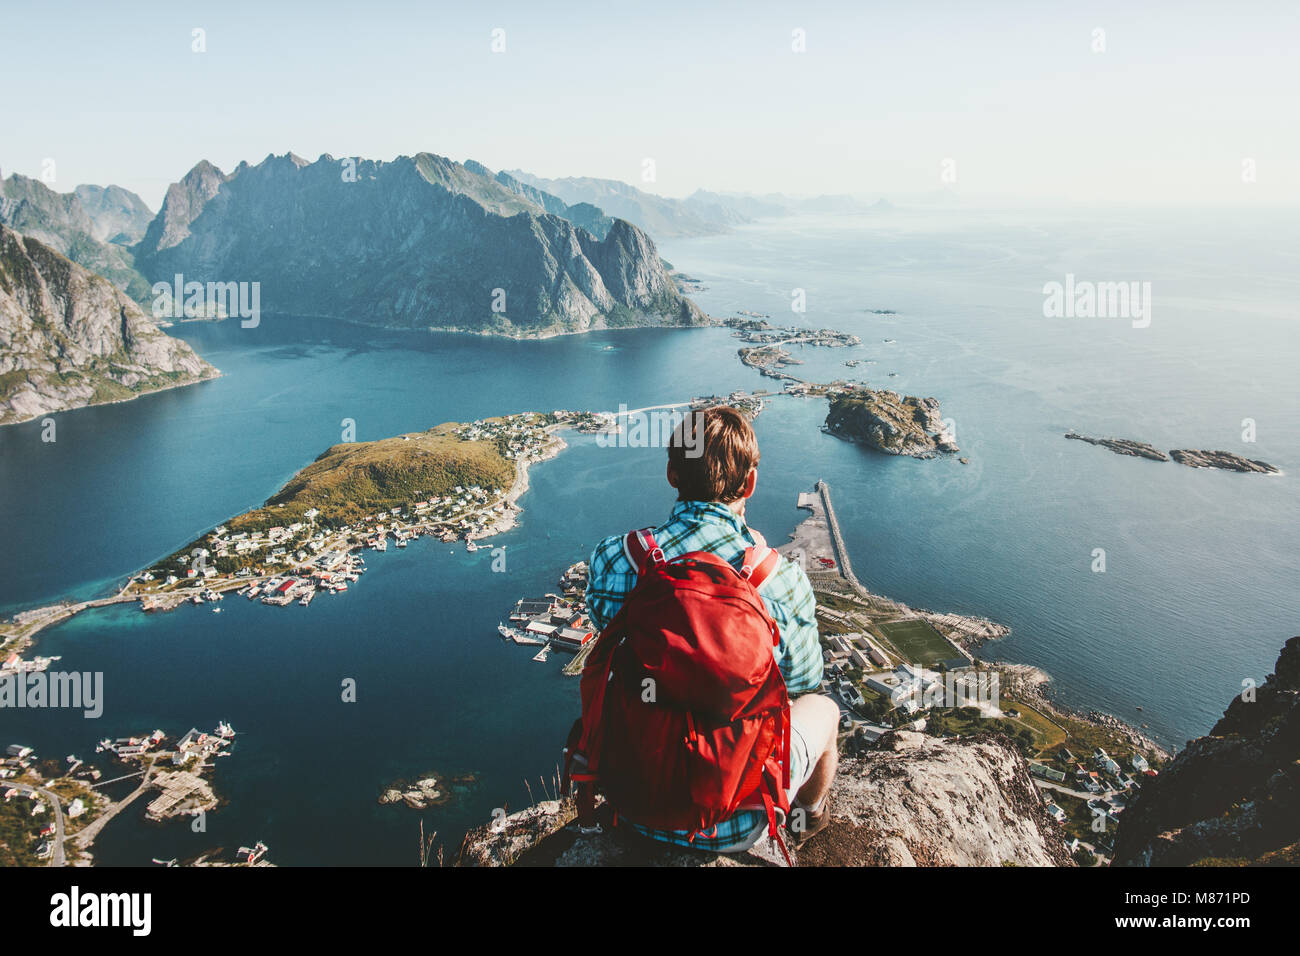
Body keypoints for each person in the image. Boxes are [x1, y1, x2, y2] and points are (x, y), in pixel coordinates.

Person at [585, 405, 839, 852]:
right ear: (750, 484)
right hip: (737, 817)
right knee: (825, 708)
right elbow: (802, 681)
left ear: (671, 474)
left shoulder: (616, 558)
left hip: (633, 797)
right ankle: (808, 819)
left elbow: (606, 636)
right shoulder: (778, 578)